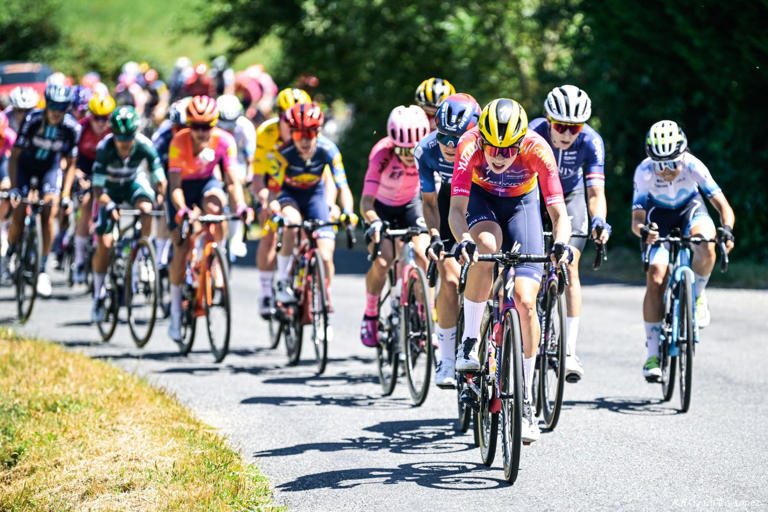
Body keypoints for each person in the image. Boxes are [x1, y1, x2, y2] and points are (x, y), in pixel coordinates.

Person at [449, 98, 571, 443]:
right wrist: (463, 241)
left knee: (525, 301)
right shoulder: (468, 144)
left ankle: (526, 400)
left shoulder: (538, 148)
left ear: (521, 142)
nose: (500, 156)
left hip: (522, 205)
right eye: (493, 149)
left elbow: (560, 215)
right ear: (482, 140)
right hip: (482, 200)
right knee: (486, 248)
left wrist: (560, 244)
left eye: (508, 150)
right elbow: (456, 209)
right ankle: (470, 341)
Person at [631, 120, 734, 381]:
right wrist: (644, 231)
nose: (666, 170)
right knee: (655, 276)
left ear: (683, 154)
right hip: (659, 217)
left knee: (705, 242)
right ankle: (653, 353)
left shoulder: (693, 166)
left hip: (690, 209)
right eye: (660, 164)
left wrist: (727, 230)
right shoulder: (644, 172)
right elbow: (637, 220)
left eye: (672, 162)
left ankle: (697, 295)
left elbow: (723, 207)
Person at [528, 85, 610, 382]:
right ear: (549, 120)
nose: (566, 134)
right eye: (560, 126)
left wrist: (599, 218)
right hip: (534, 197)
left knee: (570, 265)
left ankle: (568, 351)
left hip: (571, 196)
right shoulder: (532, 132)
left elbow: (595, 190)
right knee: (530, 262)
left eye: (573, 128)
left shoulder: (591, 141)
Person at [165, 95, 252, 342]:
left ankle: (215, 255)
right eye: (197, 127)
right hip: (182, 189)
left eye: (207, 126)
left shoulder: (225, 141)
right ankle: (173, 311)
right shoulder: (178, 142)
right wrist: (182, 209)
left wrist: (242, 205)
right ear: (189, 125)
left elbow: (233, 180)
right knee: (181, 249)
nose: (202, 133)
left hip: (206, 183)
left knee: (217, 207)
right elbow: (174, 186)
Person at [415, 92, 481, 387]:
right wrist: (432, 236)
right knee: (451, 280)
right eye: (444, 136)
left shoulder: (485, 146)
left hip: (482, 203)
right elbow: (429, 203)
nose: (450, 145)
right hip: (447, 206)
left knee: (494, 274)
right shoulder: (426, 150)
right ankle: (447, 357)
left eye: (458, 138)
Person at [270, 102, 356, 312]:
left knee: (326, 254)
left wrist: (347, 212)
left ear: (318, 132)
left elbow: (342, 186)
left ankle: (323, 298)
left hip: (315, 194)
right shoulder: (283, 153)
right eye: (299, 136)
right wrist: (274, 209)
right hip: (289, 195)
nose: (305, 141)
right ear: (291, 134)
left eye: (310, 133)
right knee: (292, 222)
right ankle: (282, 280)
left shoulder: (329, 150)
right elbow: (273, 191)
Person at [359, 105, 430, 347]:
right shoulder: (382, 154)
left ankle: (422, 313)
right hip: (381, 208)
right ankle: (370, 313)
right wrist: (375, 222)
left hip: (410, 205)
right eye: (403, 149)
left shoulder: (429, 152)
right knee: (383, 260)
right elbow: (366, 201)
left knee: (423, 254)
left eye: (414, 149)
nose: (409, 155)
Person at [90, 106, 167, 321]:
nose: (124, 143)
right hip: (110, 189)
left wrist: (160, 195)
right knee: (105, 244)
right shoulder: (104, 148)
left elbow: (159, 176)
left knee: (146, 208)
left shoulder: (144, 145)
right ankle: (98, 294)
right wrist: (108, 206)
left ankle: (143, 252)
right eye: (120, 138)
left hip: (133, 183)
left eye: (129, 137)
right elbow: (97, 190)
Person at [7, 84, 81, 297]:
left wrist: (65, 194)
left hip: (49, 169)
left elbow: (71, 163)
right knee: (19, 210)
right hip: (24, 167)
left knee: (50, 211)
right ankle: (11, 250)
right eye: (53, 106)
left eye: (62, 106)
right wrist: (13, 187)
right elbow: (14, 156)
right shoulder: (32, 120)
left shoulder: (71, 128)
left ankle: (42, 269)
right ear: (46, 105)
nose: (57, 111)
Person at [71, 93, 116, 282]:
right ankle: (80, 259)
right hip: (84, 167)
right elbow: (69, 159)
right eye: (96, 118)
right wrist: (77, 175)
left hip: (105, 170)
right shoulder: (80, 129)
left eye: (104, 118)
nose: (100, 123)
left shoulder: (113, 132)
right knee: (87, 203)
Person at [217, 94, 256, 259]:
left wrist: (249, 177)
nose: (228, 130)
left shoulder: (245, 127)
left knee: (236, 185)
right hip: (216, 162)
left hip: (236, 163)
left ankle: (235, 236)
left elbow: (250, 159)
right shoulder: (211, 127)